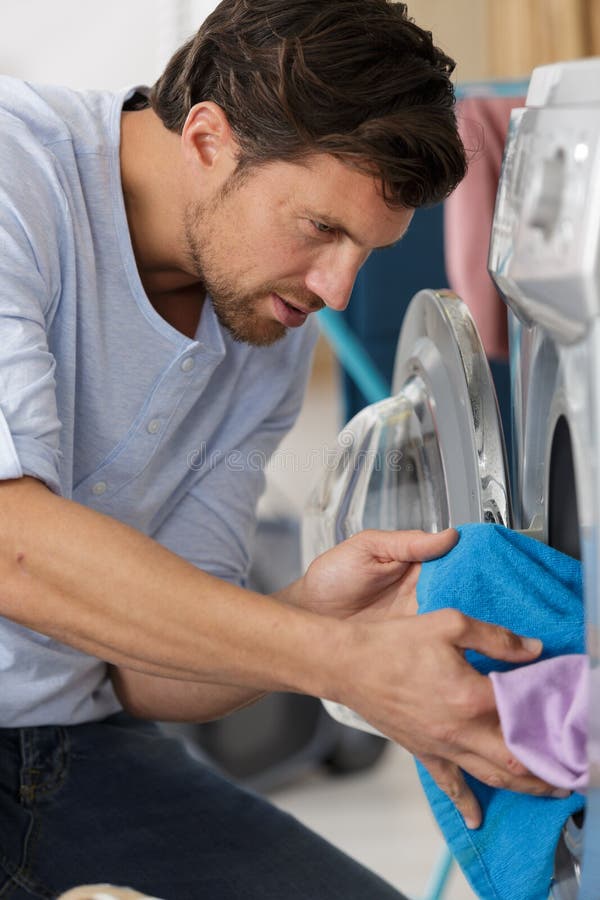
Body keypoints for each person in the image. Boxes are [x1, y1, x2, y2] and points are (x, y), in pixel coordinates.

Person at [0, 1, 558, 897]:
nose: (337, 291)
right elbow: (12, 548)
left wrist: (313, 613)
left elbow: (148, 678)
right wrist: (339, 662)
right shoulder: (16, 180)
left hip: (72, 753)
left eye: (366, 253)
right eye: (321, 230)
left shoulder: (262, 330)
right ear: (210, 139)